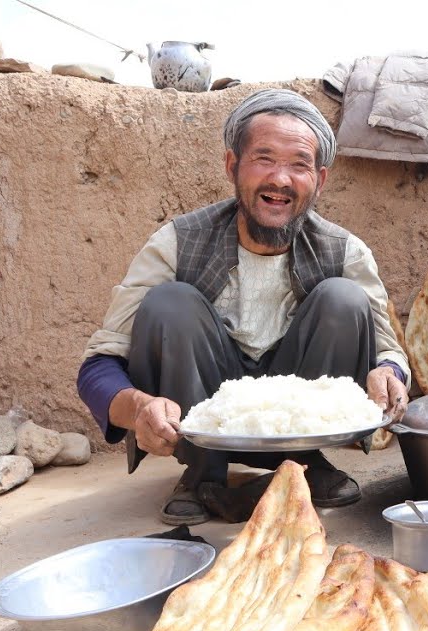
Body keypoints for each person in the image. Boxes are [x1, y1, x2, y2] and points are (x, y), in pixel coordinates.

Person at [77, 89, 410, 525]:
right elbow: (98, 367)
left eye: (299, 165)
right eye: (264, 159)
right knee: (171, 303)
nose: (280, 179)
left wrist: (389, 374)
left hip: (299, 414)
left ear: (320, 180)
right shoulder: (176, 243)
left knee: (343, 299)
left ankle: (302, 463)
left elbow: (388, 353)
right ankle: (203, 473)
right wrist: (139, 408)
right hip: (202, 416)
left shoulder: (345, 252)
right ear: (232, 165)